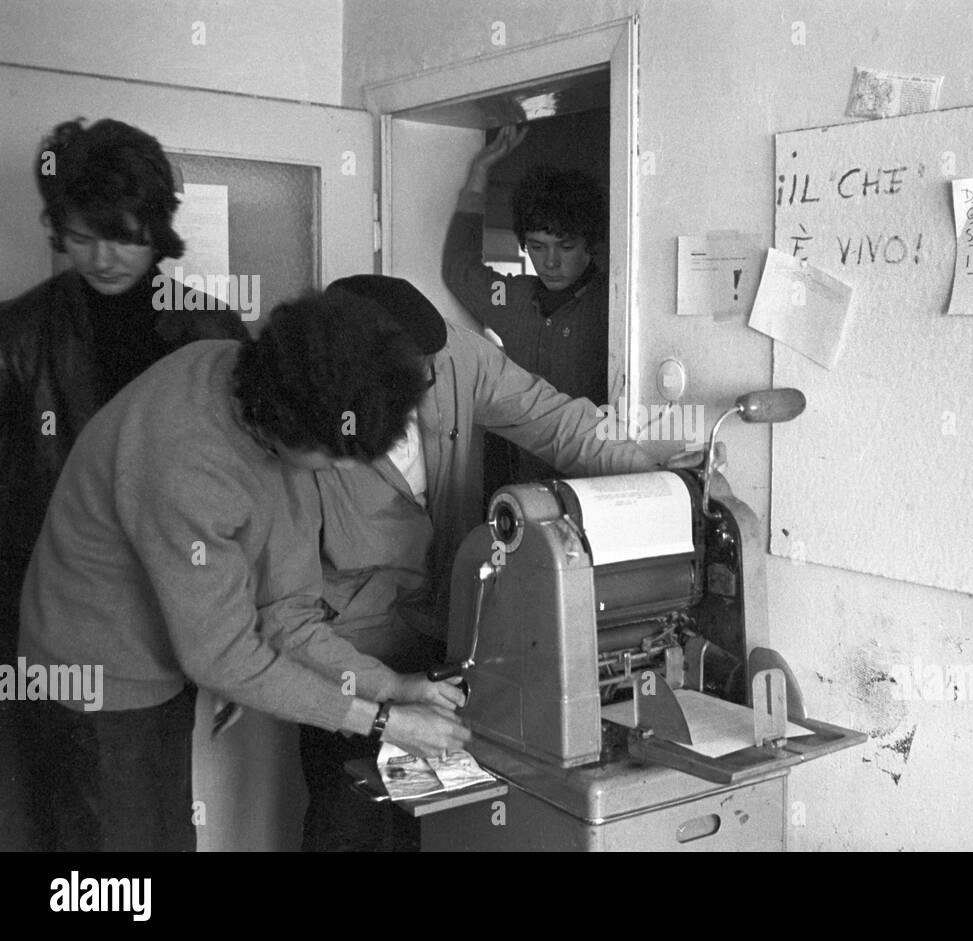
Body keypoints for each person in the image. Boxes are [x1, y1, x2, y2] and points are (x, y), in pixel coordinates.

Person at [16, 290, 469, 852]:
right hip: (93, 672)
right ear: (292, 426)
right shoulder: (187, 456)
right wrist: (382, 722)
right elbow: (222, 655)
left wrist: (394, 686)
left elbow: (289, 618)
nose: (342, 471)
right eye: (335, 457)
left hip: (163, 654)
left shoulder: (263, 398)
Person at [295, 274, 656, 851]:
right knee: (352, 822)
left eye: (428, 373)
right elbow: (279, 609)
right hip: (345, 650)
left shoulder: (455, 357)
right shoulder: (307, 414)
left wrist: (657, 481)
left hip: (452, 632)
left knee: (439, 821)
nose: (425, 389)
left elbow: (562, 424)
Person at [0, 117, 246, 851]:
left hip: (165, 626)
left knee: (143, 824)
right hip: (34, 625)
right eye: (81, 234)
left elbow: (249, 503)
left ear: (159, 228)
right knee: (46, 822)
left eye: (126, 233)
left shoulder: (212, 334)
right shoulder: (19, 335)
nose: (104, 256)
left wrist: (241, 643)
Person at [441, 124, 610, 490]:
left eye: (565, 247)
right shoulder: (512, 297)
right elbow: (459, 268)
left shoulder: (612, 305)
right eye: (536, 246)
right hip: (529, 492)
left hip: (602, 491)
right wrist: (479, 173)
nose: (550, 262)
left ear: (589, 244)